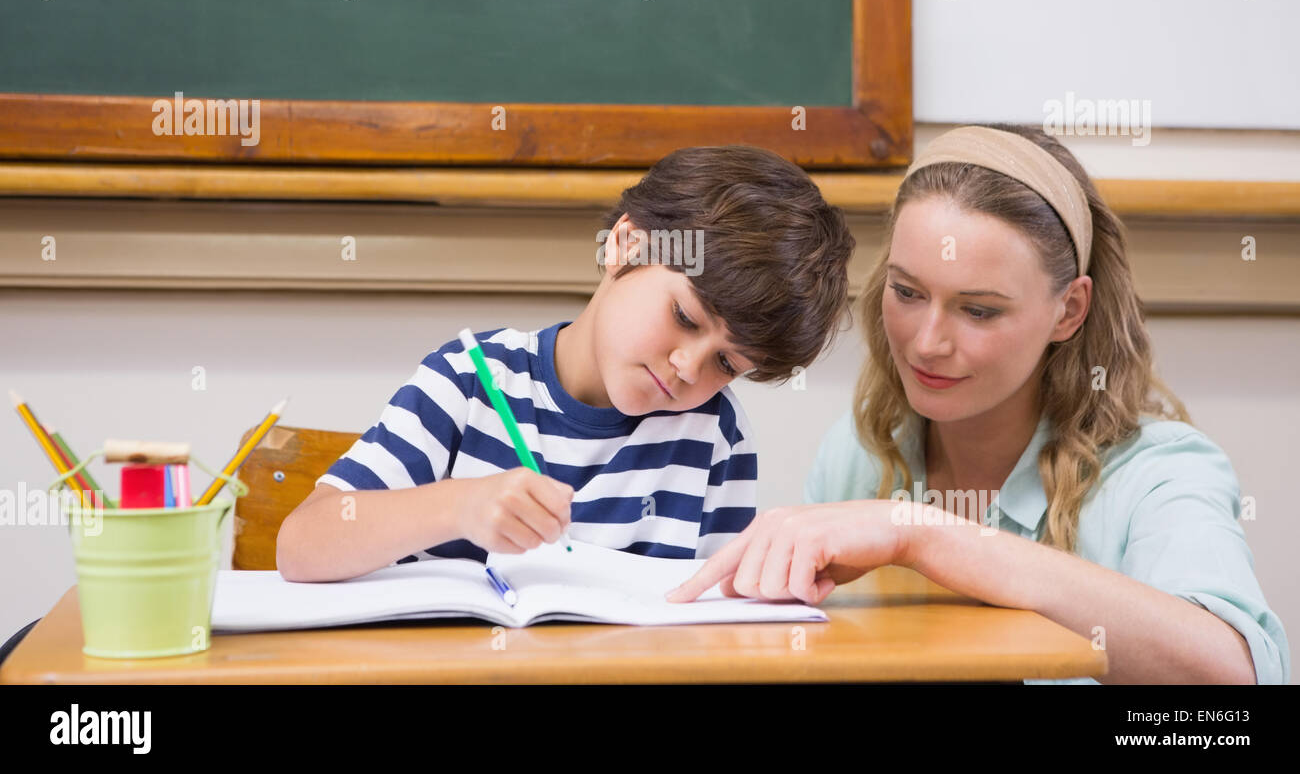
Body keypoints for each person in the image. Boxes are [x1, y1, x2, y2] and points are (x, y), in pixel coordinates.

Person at [666, 125, 1290, 685]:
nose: (927, 342)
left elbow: (1233, 683)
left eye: (979, 310)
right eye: (907, 292)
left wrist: (926, 537)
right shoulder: (859, 456)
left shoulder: (1160, 473)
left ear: (1068, 310)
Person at [277, 144, 856, 582]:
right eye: (684, 316)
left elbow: (709, 609)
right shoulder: (471, 380)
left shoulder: (717, 437)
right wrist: (458, 505)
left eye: (727, 364)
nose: (688, 367)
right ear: (625, 246)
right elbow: (301, 545)